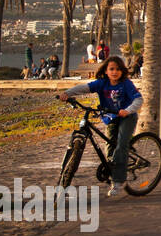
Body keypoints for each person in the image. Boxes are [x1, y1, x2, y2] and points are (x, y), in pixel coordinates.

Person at [57, 56, 142, 197]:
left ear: (122, 71)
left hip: (127, 117)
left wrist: (128, 110)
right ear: (106, 71)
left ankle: (119, 181)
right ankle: (115, 168)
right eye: (111, 69)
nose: (115, 72)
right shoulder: (102, 83)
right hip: (111, 117)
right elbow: (84, 88)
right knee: (109, 148)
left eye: (118, 69)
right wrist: (67, 93)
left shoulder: (125, 84)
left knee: (121, 145)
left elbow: (139, 99)